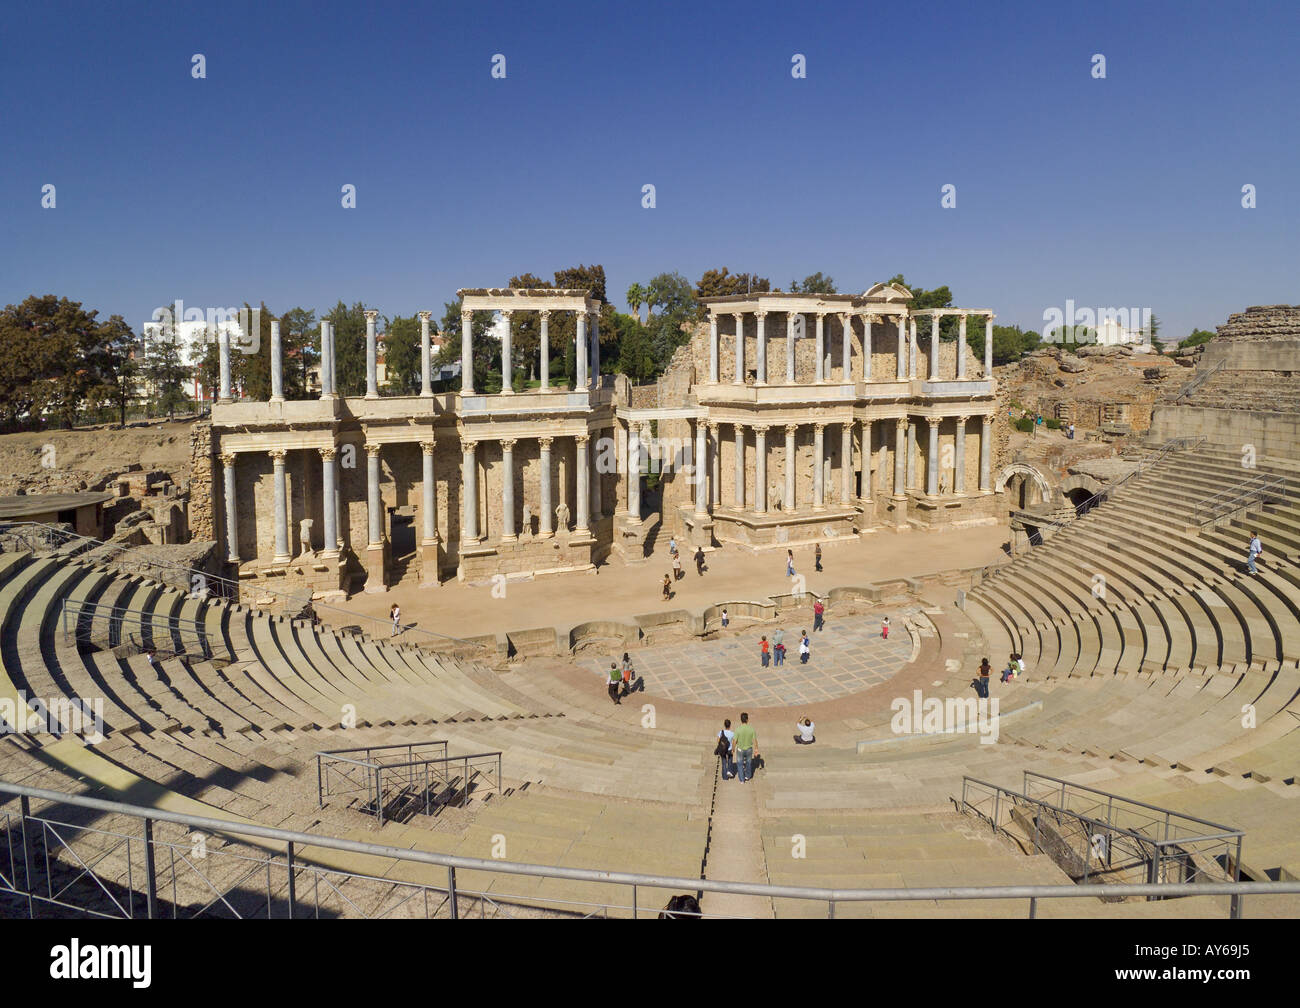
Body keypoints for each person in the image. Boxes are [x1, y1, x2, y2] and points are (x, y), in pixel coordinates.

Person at [733, 712, 758, 783]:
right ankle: (747, 776)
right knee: (748, 763)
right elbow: (755, 740)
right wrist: (756, 749)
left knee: (740, 764)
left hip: (740, 749)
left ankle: (742, 779)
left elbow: (734, 741)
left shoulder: (738, 729)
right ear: (747, 720)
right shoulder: (751, 729)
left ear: (741, 720)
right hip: (749, 749)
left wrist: (733, 749)